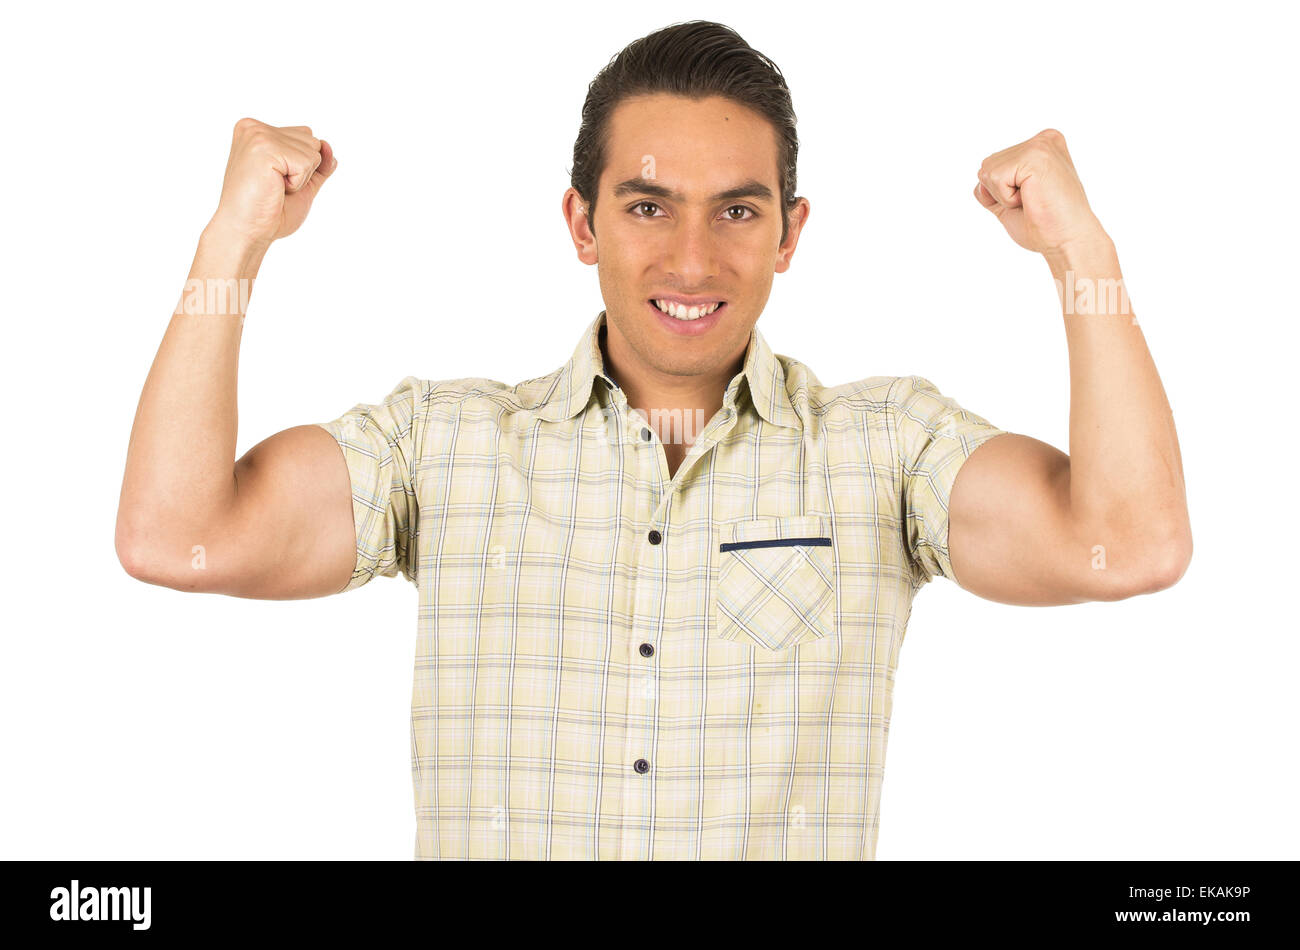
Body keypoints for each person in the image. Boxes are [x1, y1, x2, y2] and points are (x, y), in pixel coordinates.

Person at [115, 20, 1191, 860]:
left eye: (735, 211)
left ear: (789, 233)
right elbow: (177, 534)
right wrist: (234, 239)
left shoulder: (884, 453)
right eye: (645, 207)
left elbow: (1130, 542)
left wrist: (1077, 252)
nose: (691, 258)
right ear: (581, 223)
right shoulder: (440, 449)